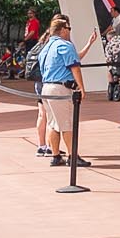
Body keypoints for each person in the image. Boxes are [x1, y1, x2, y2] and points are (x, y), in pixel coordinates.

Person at [35, 19, 88, 167]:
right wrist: (81, 87)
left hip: (46, 88)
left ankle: (56, 155)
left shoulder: (45, 48)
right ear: (63, 29)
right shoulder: (64, 45)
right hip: (60, 88)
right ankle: (73, 156)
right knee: (67, 124)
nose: (70, 31)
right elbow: (74, 67)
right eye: (69, 28)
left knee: (53, 123)